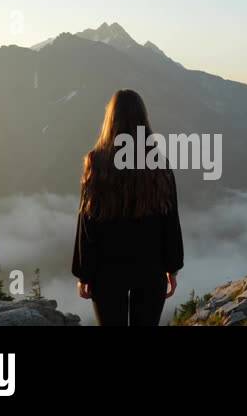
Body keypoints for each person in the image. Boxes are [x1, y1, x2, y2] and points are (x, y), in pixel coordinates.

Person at [72, 90, 184, 326]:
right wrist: (172, 267)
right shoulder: (159, 165)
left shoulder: (96, 163)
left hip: (107, 271)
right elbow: (170, 219)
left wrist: (84, 272)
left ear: (110, 119)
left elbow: (87, 222)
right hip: (150, 268)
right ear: (143, 120)